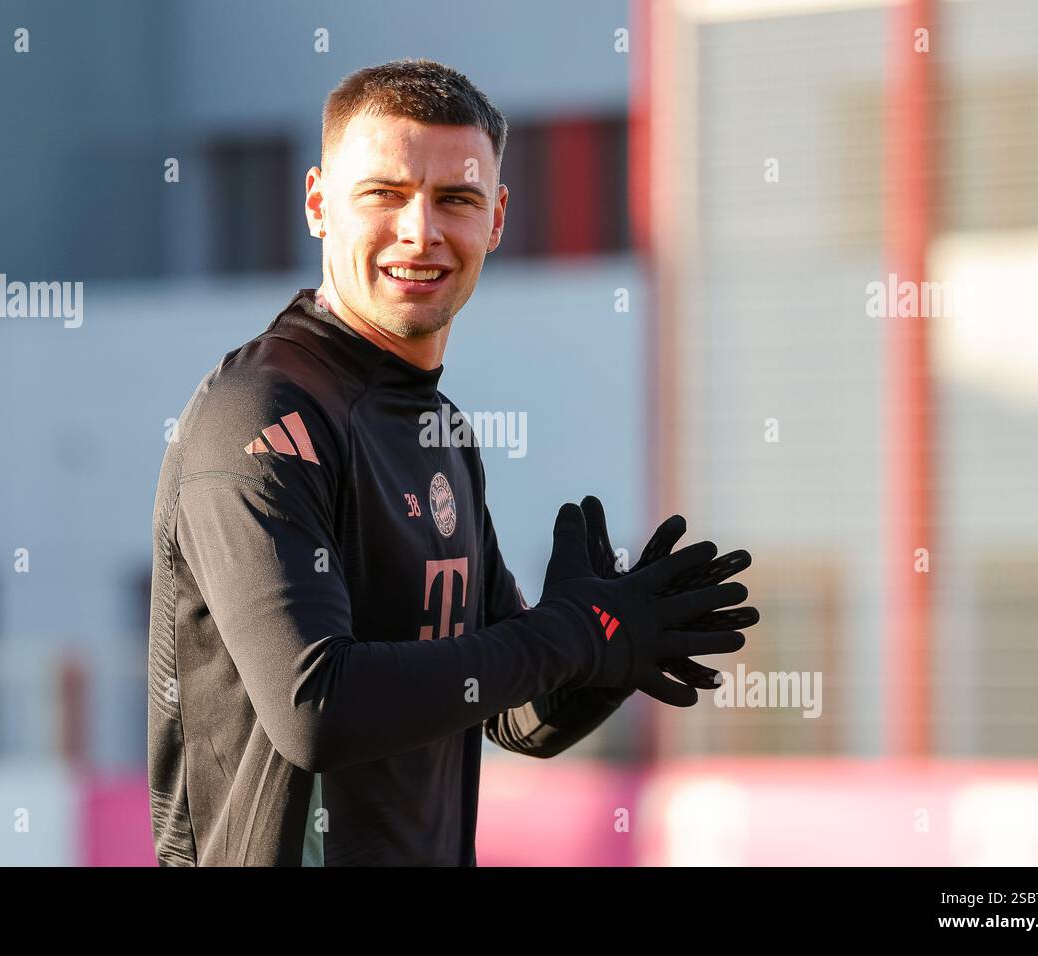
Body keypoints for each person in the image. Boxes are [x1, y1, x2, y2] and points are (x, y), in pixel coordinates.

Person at [147, 58, 758, 866]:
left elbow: (513, 714)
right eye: (385, 194)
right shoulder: (261, 412)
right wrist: (571, 635)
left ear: (497, 218)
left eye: (456, 200)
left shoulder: (444, 433)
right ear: (318, 204)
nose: (421, 232)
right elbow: (316, 710)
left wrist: (609, 653)